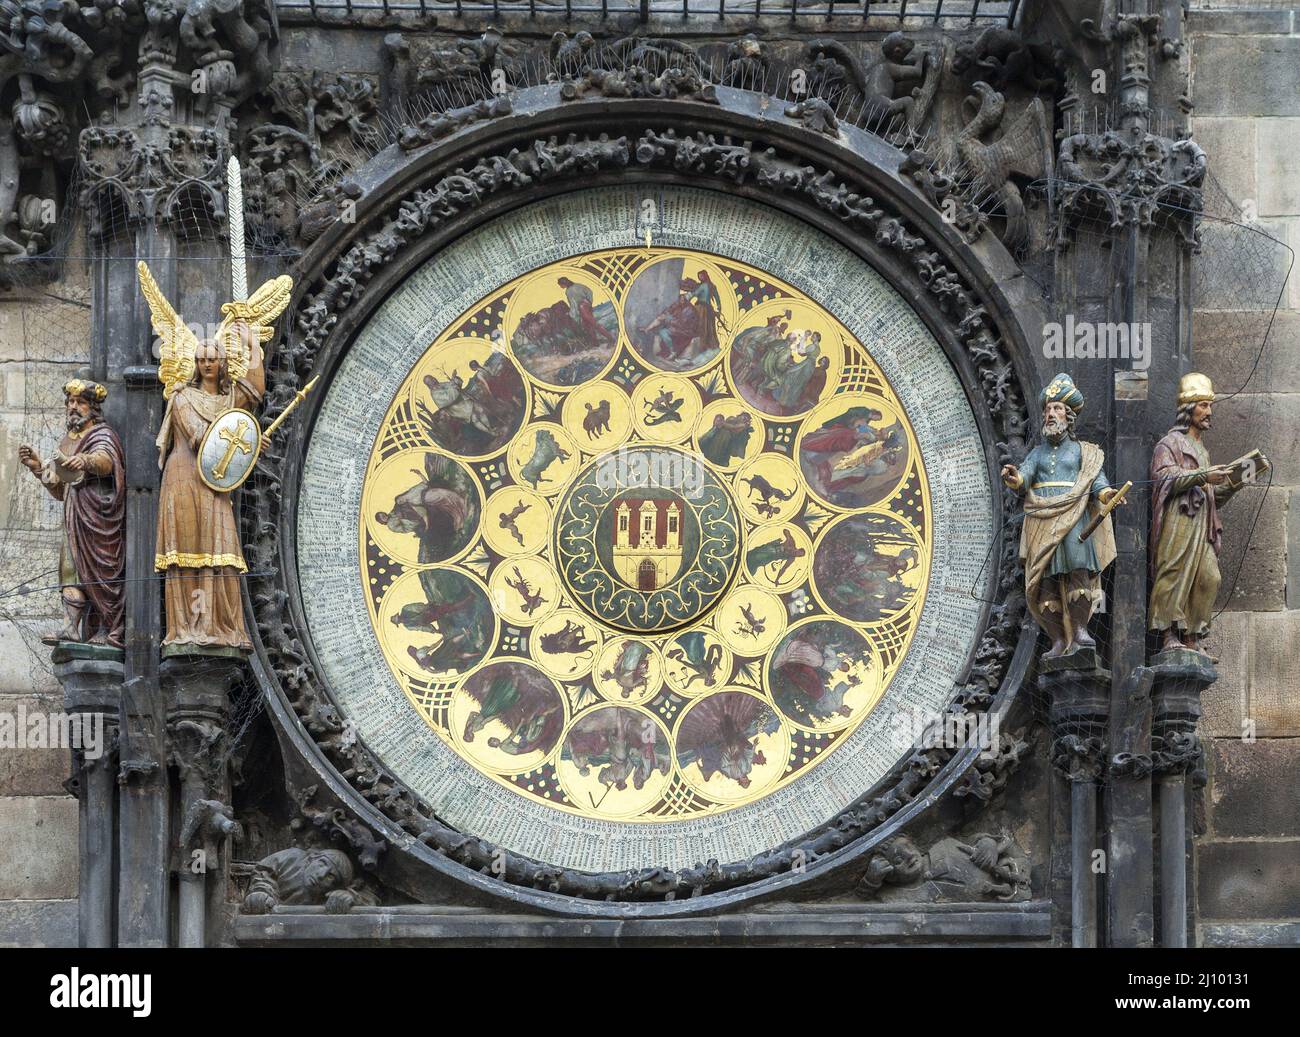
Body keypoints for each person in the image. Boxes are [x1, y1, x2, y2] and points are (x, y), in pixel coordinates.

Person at [1001, 373, 1122, 659]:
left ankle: (1079, 630)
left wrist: (1106, 496)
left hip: (1074, 519)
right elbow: (1024, 478)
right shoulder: (1038, 455)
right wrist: (1014, 477)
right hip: (1043, 519)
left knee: (1078, 573)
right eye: (1047, 410)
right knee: (1046, 581)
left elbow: (1097, 481)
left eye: (1056, 409)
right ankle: (1056, 638)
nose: (1050, 415)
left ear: (1068, 416)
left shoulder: (1083, 452)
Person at [1148, 373, 1259, 654]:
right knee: (1174, 571)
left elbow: (1211, 496)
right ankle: (1169, 633)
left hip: (1202, 524)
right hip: (1179, 521)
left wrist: (1234, 483)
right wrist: (1202, 475)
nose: (1209, 412)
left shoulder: (1203, 451)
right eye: (1203, 405)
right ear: (1188, 409)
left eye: (1210, 406)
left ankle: (1192, 636)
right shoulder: (1169, 444)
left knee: (1209, 577)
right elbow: (1164, 479)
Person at [18, 380, 125, 647]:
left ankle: (107, 628)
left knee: (101, 571)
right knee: (71, 569)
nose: (73, 408)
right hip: (73, 512)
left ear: (93, 407)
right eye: (70, 402)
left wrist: (86, 460)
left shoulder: (103, 434)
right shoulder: (68, 440)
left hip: (99, 513)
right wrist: (38, 468)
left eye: (80, 402)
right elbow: (59, 488)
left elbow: (106, 461)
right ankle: (70, 628)